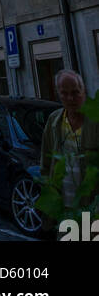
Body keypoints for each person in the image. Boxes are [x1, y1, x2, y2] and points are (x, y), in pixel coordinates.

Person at [40, 69, 99, 233]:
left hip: (92, 209)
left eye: (75, 92)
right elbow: (45, 164)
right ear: (58, 94)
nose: (70, 98)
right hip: (64, 209)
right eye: (64, 93)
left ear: (84, 91)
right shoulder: (54, 121)